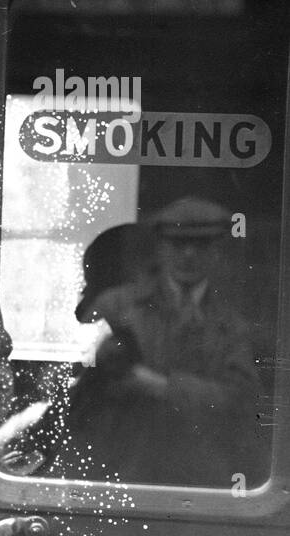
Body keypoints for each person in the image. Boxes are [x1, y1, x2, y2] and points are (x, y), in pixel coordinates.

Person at [69, 196, 262, 486]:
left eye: (201, 245)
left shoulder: (234, 325)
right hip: (121, 468)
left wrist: (159, 386)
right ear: (160, 247)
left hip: (200, 475)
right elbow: (77, 389)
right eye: (177, 244)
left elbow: (242, 401)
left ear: (217, 252)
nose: (188, 254)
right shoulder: (116, 306)